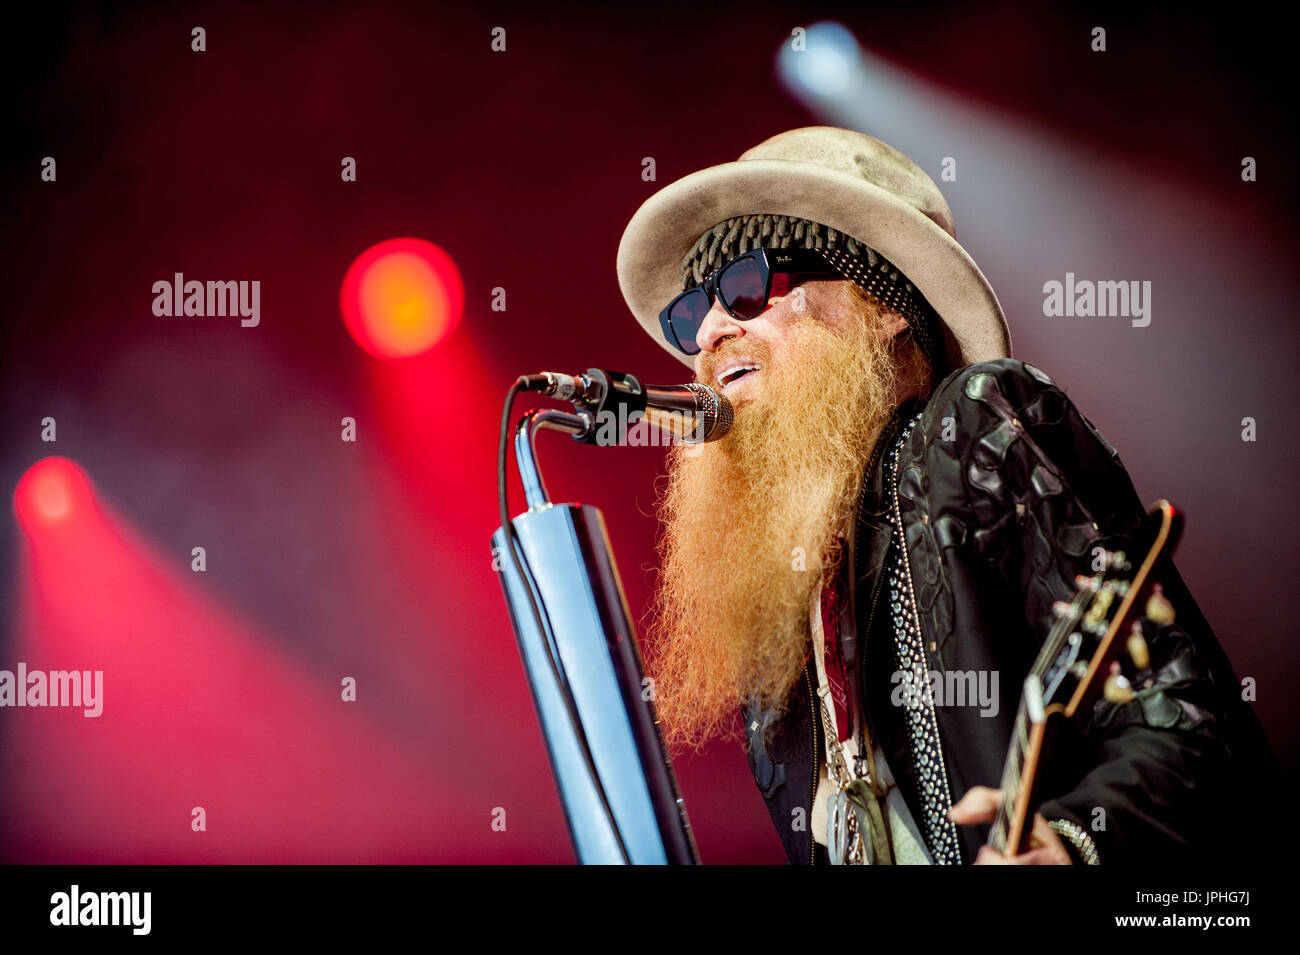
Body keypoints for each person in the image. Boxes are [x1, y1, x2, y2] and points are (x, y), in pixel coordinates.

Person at [614, 126, 1277, 865]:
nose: (706, 332)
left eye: (743, 284)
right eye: (689, 312)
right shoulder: (768, 584)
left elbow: (1195, 727)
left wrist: (1071, 840)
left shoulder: (979, 424)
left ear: (882, 299)